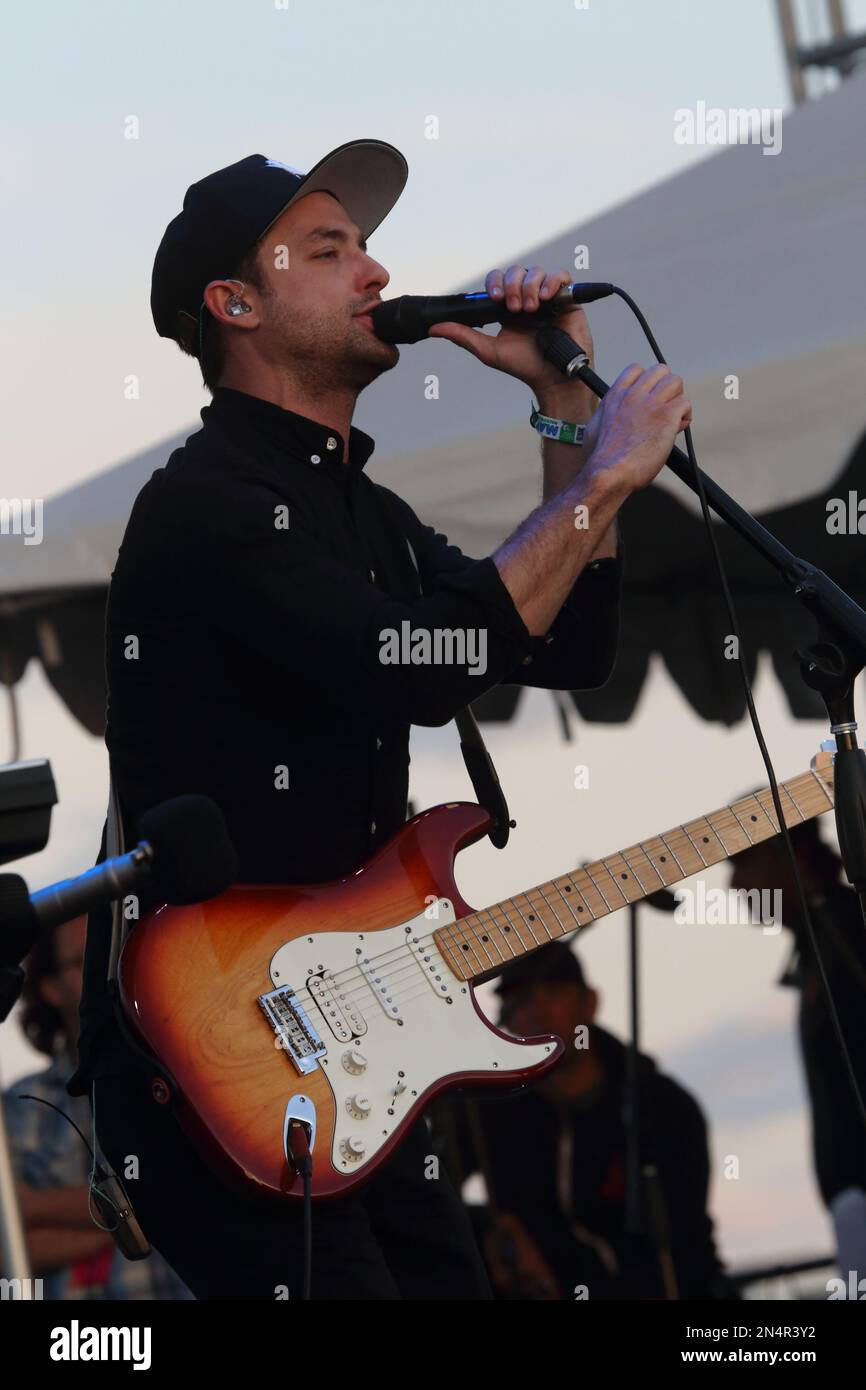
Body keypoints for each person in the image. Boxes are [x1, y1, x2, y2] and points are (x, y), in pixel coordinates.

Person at [68, 141, 692, 1299]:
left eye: (364, 246)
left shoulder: (366, 510)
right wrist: (605, 479)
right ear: (236, 303)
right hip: (213, 1058)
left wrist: (562, 410)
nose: (375, 272)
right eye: (327, 250)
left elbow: (561, 644)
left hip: (352, 1047)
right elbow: (412, 667)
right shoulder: (207, 504)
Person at [431, 942, 729, 1299]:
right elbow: (426, 1199)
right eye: (521, 998)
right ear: (505, 1016)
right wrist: (485, 1234)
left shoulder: (663, 1106)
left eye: (555, 992)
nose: (538, 1008)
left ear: (590, 1002)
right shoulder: (485, 1112)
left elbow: (682, 1248)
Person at [3, 916, 192, 1299]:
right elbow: (10, 1244)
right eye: (86, 960)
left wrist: (36, 1208)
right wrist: (151, 1212)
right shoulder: (20, 1106)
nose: (107, 972)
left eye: (116, 954)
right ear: (51, 988)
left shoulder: (188, 1076)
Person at [729, 817, 866, 1284]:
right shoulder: (822, 942)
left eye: (744, 860)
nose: (734, 884)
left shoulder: (849, 930)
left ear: (794, 855)